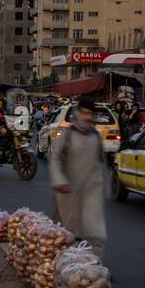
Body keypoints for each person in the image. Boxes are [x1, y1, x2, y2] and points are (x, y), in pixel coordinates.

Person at [50, 93, 108, 253]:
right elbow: (55, 159)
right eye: (84, 113)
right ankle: (70, 266)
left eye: (90, 114)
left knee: (95, 231)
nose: (87, 117)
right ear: (77, 113)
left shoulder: (95, 136)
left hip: (92, 190)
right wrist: (59, 181)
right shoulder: (68, 135)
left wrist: (102, 187)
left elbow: (100, 163)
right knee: (70, 233)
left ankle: (95, 268)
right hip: (69, 191)